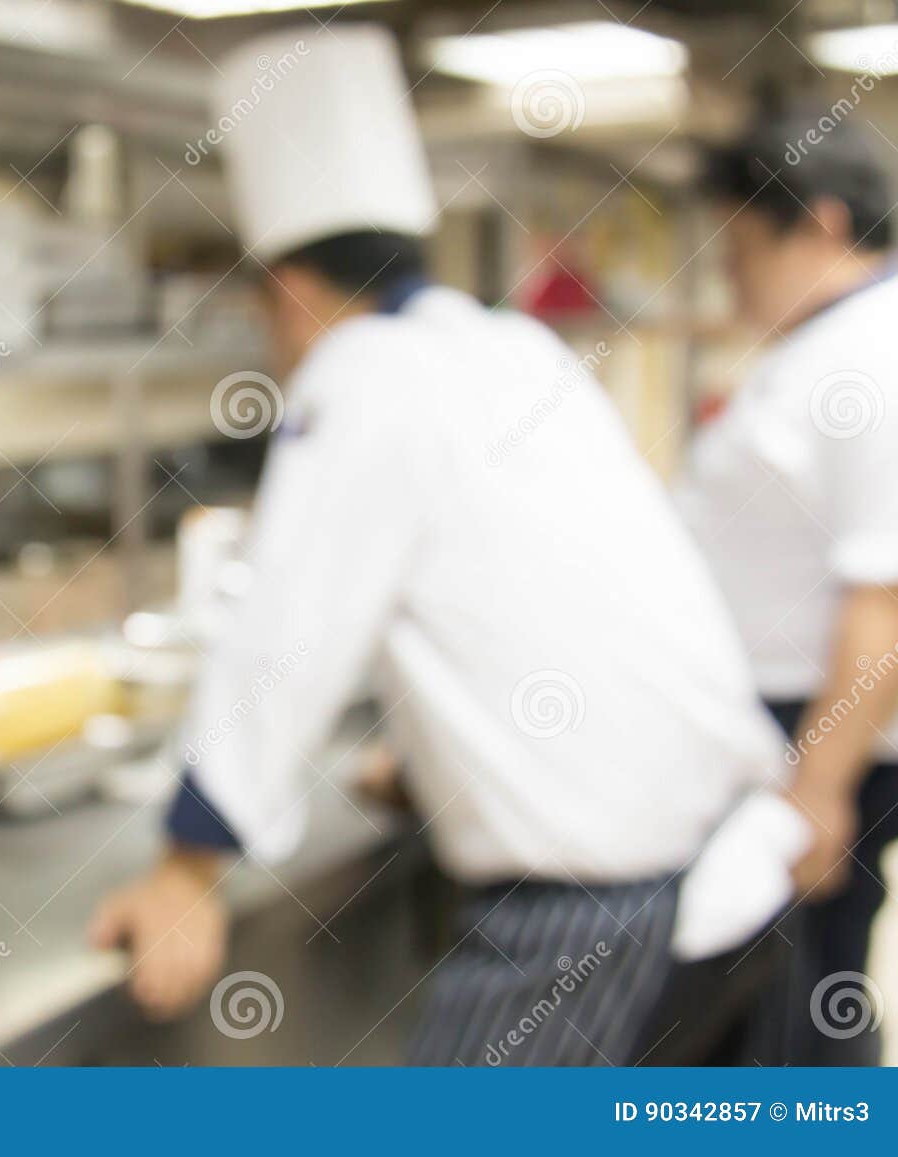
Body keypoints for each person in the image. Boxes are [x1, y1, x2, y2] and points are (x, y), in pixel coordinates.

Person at [87, 27, 819, 1065]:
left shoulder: (365, 371)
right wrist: (438, 758)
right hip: (737, 855)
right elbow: (530, 588)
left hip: (596, 908)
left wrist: (187, 863)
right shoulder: (509, 346)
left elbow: (287, 626)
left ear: (290, 294)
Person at [677, 107, 898, 1065]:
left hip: (811, 737)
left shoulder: (872, 356)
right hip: (775, 736)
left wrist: (819, 788)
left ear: (822, 222)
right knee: (772, 1018)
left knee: (799, 1024)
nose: (730, 271)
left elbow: (884, 592)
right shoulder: (827, 344)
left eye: (742, 243)